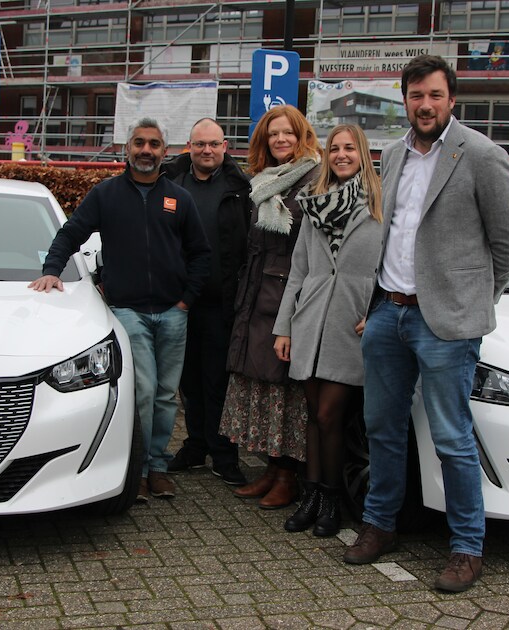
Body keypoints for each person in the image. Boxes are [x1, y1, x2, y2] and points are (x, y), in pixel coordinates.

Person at [343, 54, 509, 594]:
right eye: (416, 95)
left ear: (451, 99)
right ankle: (381, 525)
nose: (425, 105)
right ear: (405, 99)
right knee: (383, 429)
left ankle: (467, 548)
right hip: (387, 314)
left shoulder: (482, 156)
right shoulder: (393, 153)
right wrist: (377, 302)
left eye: (435, 96)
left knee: (451, 438)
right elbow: (392, 228)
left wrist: (470, 303)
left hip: (444, 323)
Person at [29, 117, 212, 503]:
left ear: (165, 152)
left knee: (165, 396)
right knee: (143, 392)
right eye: (140, 143)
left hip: (174, 313)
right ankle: (140, 471)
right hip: (128, 312)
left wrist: (186, 301)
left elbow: (200, 254)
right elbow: (70, 234)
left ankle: (158, 466)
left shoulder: (179, 198)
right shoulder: (106, 194)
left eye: (155, 144)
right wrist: (50, 272)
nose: (146, 150)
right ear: (127, 149)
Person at [273, 124, 383, 537]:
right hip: (310, 321)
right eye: (334, 148)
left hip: (351, 325)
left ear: (363, 153)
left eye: (349, 148)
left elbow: (393, 268)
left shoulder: (380, 204)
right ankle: (314, 498)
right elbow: (298, 270)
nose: (340, 155)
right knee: (315, 419)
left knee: (329, 415)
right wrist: (284, 327)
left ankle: (332, 499)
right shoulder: (314, 204)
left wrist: (379, 312)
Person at [220, 105, 321, 510]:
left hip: (288, 299)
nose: (280, 140)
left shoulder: (313, 179)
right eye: (273, 134)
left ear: (302, 136)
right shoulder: (265, 182)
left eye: (288, 133)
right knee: (265, 386)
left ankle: (290, 477)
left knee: (288, 389)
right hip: (258, 293)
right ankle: (273, 469)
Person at [162, 118, 252, 487]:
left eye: (214, 144)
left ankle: (224, 454)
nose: (207, 151)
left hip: (220, 302)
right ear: (189, 146)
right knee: (188, 381)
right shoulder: (171, 181)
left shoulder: (240, 187)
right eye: (200, 144)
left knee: (217, 381)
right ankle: (196, 445)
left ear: (225, 146)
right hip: (178, 302)